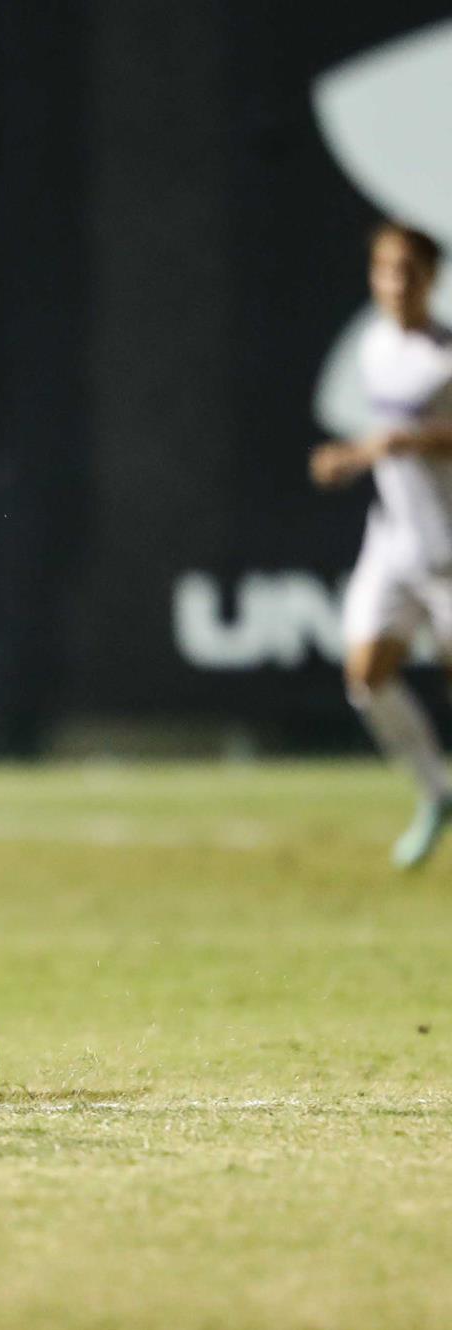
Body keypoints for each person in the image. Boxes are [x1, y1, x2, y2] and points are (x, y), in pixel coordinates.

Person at [311, 221, 452, 869]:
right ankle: (436, 792)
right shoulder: (373, 346)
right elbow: (386, 438)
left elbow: (407, 438)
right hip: (397, 542)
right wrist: (355, 456)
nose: (396, 283)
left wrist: (414, 441)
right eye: (385, 270)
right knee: (366, 676)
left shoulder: (444, 355)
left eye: (409, 271)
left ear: (432, 278)